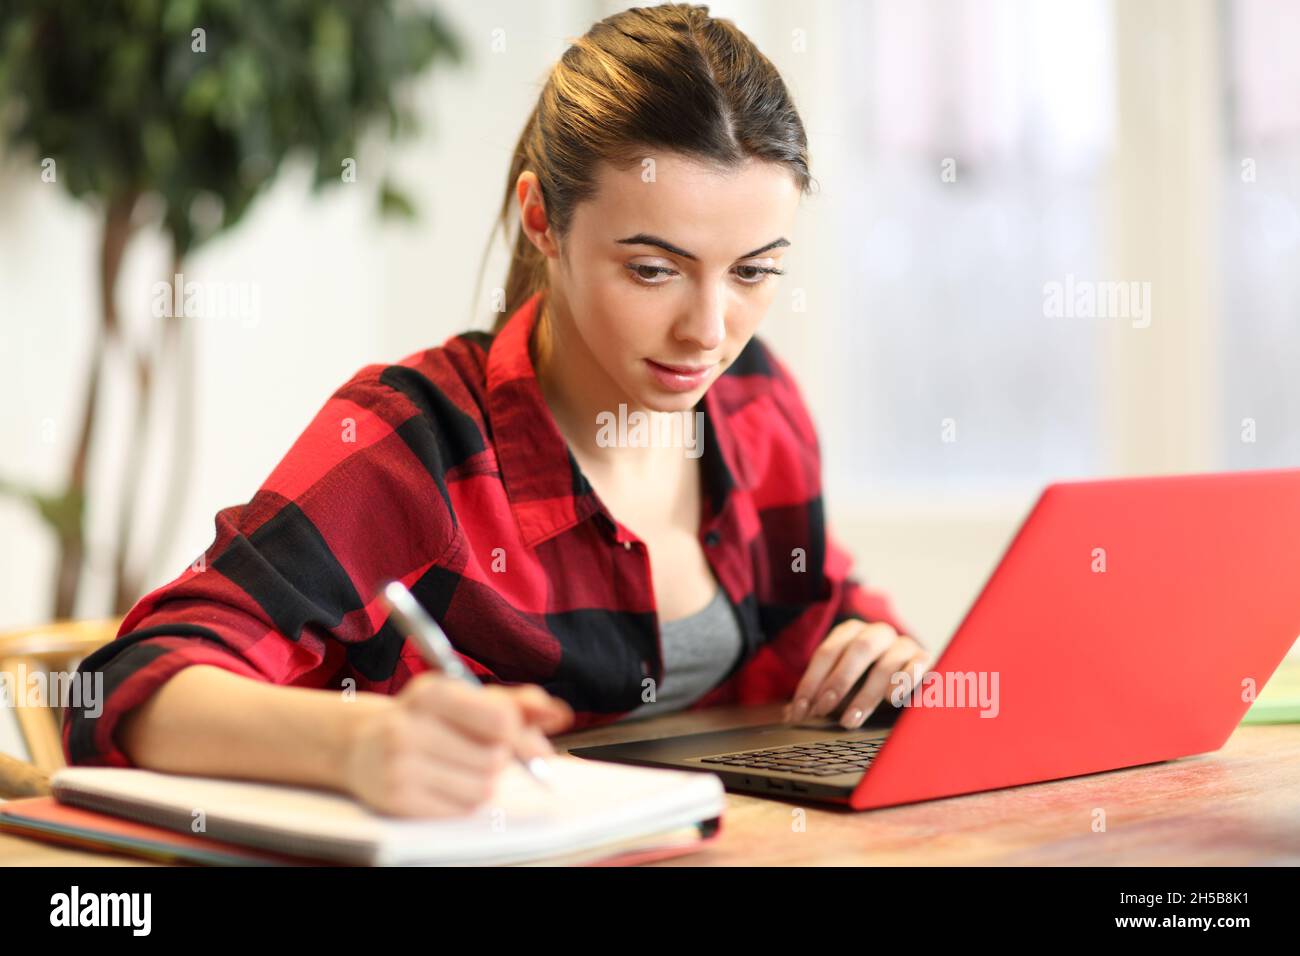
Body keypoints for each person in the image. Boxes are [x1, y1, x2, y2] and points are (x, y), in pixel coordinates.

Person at [63, 2, 931, 818]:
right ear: (543, 220)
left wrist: (882, 656)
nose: (709, 332)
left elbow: (821, 606)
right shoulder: (414, 442)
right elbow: (123, 687)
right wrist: (356, 742)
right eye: (653, 269)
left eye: (752, 272)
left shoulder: (752, 403)